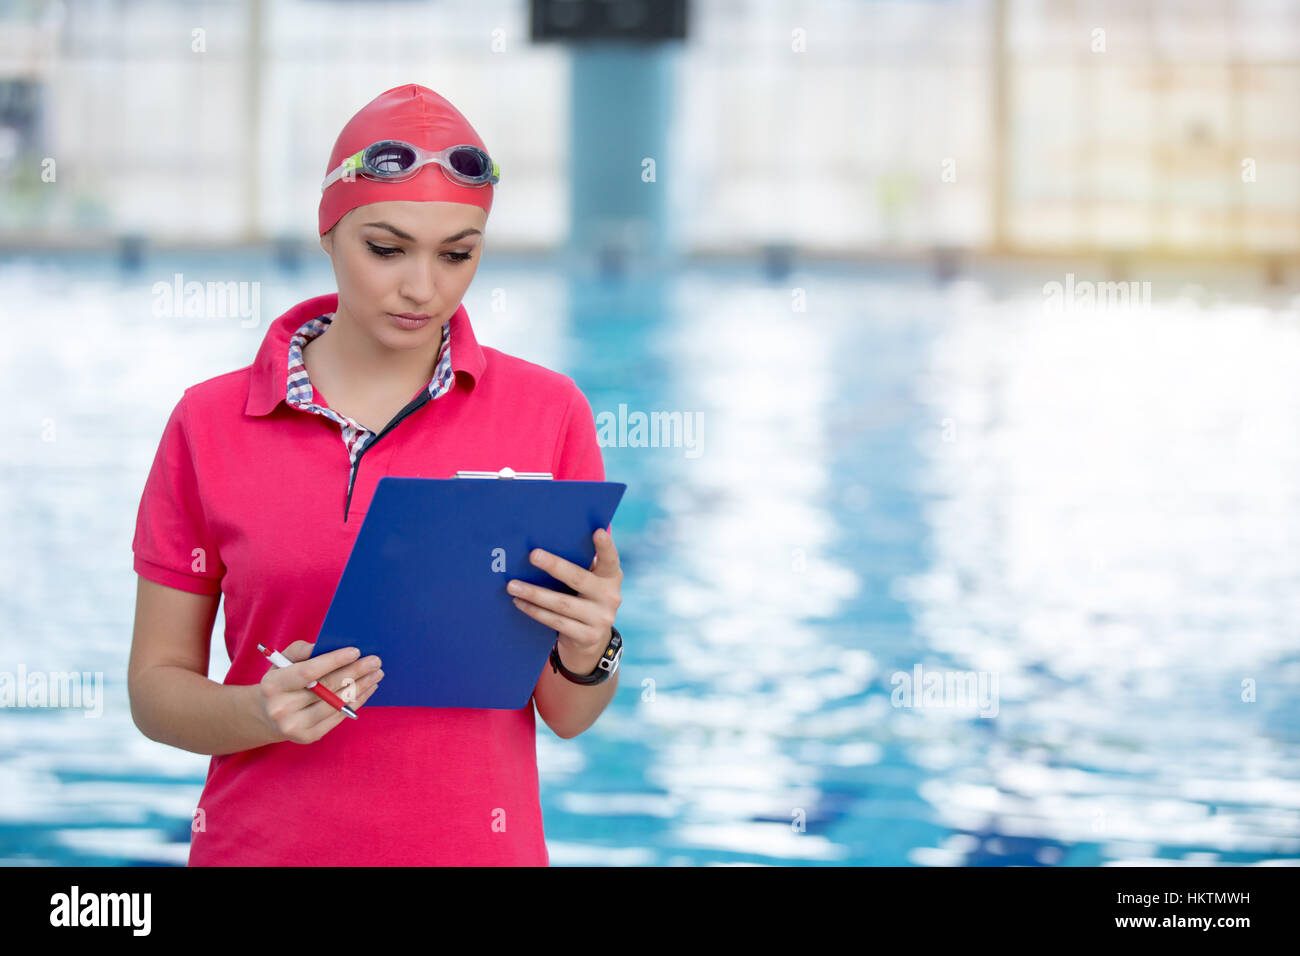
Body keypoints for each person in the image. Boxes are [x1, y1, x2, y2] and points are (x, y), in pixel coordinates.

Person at [126, 83, 624, 866]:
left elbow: (566, 713)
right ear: (328, 231)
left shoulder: (548, 413)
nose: (423, 287)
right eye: (386, 249)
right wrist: (257, 712)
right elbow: (155, 689)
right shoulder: (209, 423)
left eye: (457, 254)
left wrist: (593, 646)